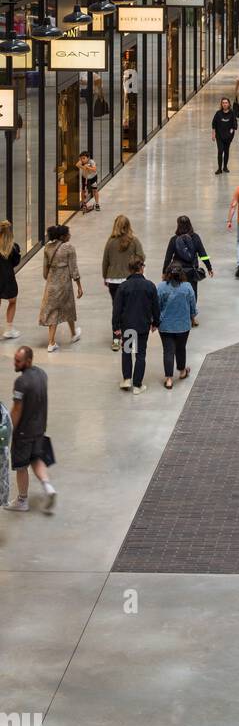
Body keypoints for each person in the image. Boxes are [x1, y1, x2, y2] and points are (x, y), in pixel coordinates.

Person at [4, 346, 56, 513]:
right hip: (40, 429)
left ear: (28, 361)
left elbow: (17, 409)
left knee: (21, 466)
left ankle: (22, 500)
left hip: (24, 432)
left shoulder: (21, 382)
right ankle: (48, 487)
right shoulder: (42, 374)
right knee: (36, 459)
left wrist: (10, 430)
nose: (15, 363)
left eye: (18, 361)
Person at [111, 255, 160, 395]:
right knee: (140, 354)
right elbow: (155, 307)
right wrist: (156, 322)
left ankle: (127, 379)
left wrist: (116, 327)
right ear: (141, 268)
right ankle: (137, 385)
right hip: (143, 327)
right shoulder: (149, 286)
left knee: (127, 351)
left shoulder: (123, 287)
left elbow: (117, 309)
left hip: (128, 327)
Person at [102, 214, 144, 350]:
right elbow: (141, 257)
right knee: (130, 308)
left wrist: (105, 277)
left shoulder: (110, 242)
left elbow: (105, 262)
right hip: (129, 279)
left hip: (113, 280)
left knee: (117, 309)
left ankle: (116, 339)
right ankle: (129, 339)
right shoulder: (134, 241)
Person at [39, 224, 82, 352]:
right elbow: (74, 269)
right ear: (63, 237)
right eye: (68, 234)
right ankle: (71, 335)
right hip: (64, 284)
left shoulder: (47, 248)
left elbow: (45, 272)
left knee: (53, 310)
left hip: (51, 284)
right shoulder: (69, 248)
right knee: (68, 307)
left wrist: (50, 277)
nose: (70, 235)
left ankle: (54, 341)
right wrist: (79, 286)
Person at [156, 263, 197, 389]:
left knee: (168, 351)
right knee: (180, 348)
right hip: (183, 325)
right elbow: (192, 304)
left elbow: (156, 305)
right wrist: (192, 316)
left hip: (165, 325)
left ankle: (169, 379)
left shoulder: (161, 287)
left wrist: (155, 321)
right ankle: (182, 371)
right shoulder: (187, 287)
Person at [162, 214, 212, 313]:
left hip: (177, 271)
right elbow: (203, 254)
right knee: (192, 293)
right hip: (192, 271)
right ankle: (191, 316)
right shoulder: (195, 237)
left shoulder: (174, 240)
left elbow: (168, 258)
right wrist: (209, 267)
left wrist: (164, 272)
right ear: (190, 225)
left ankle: (179, 312)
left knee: (177, 292)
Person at [0, 220, 21, 339]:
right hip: (7, 279)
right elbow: (15, 262)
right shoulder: (13, 247)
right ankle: (9, 329)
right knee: (12, 302)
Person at [211, 96, 238, 174]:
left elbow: (235, 124)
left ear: (229, 104)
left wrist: (231, 130)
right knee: (220, 151)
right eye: (223, 103)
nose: (224, 104)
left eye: (226, 103)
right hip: (219, 136)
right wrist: (213, 134)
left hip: (228, 136)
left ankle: (225, 167)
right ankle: (219, 168)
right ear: (221, 104)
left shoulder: (232, 113)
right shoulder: (218, 113)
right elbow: (213, 124)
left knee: (226, 151)